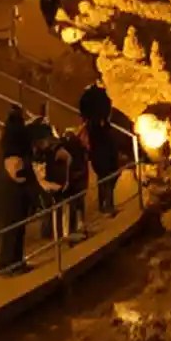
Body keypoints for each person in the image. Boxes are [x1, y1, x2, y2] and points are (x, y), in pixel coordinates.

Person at [79, 82, 119, 215]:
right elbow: (108, 106)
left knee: (102, 176)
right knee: (108, 175)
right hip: (105, 143)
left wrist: (86, 119)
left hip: (97, 144)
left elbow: (82, 109)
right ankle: (108, 204)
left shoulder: (87, 97)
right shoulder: (102, 95)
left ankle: (104, 205)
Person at [0, 153, 31, 276]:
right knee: (7, 241)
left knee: (17, 238)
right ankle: (5, 267)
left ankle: (18, 263)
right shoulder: (1, 181)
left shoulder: (8, 179)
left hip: (16, 213)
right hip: (6, 215)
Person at [60, 127, 90, 242]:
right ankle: (78, 228)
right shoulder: (80, 147)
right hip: (78, 179)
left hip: (71, 180)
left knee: (70, 207)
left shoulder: (65, 147)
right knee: (78, 205)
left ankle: (71, 231)